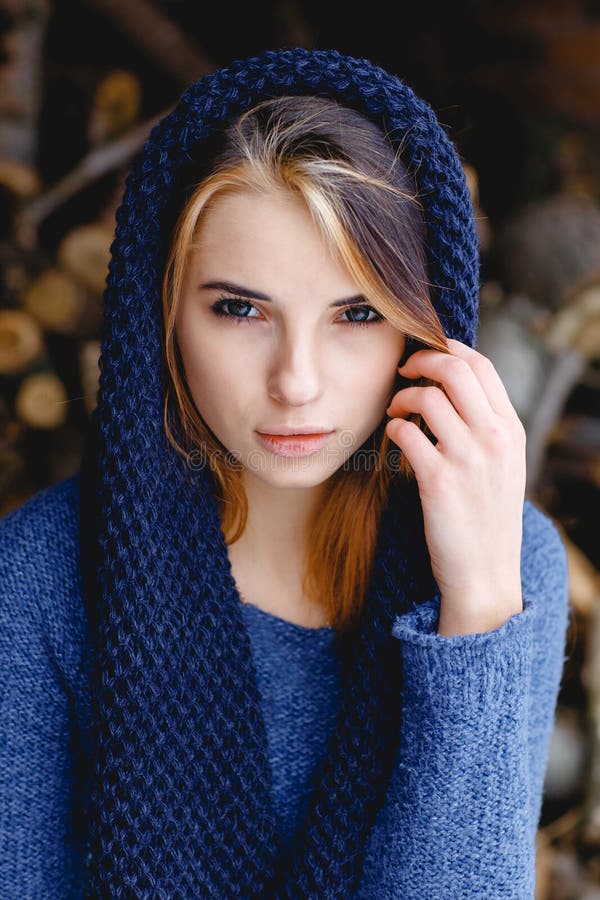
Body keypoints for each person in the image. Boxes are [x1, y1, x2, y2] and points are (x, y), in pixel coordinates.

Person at [0, 47, 571, 899]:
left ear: (427, 330)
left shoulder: (511, 567)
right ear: (160, 313)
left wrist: (480, 609)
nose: (296, 382)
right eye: (239, 308)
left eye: (356, 313)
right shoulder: (41, 577)